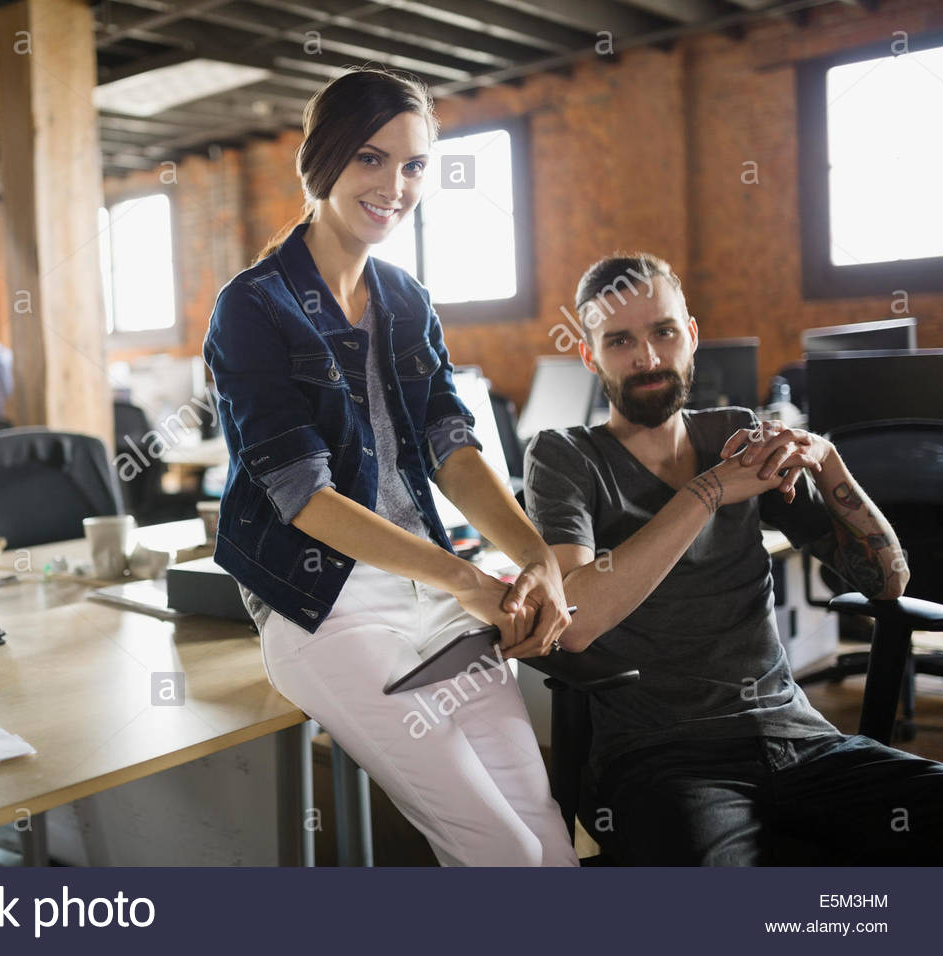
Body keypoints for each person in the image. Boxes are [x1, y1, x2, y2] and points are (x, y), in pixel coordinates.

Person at [203, 68, 577, 867]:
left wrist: (534, 556)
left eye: (412, 166)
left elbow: (451, 443)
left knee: (543, 828)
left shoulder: (407, 300)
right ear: (323, 163)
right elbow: (305, 498)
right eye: (371, 160)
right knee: (500, 848)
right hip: (322, 602)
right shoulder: (254, 306)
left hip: (429, 590)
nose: (394, 186)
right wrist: (468, 580)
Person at [523, 252, 943, 865]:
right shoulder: (565, 456)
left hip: (799, 741)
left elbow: (887, 581)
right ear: (590, 356)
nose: (647, 357)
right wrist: (709, 491)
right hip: (664, 759)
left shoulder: (736, 434)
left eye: (664, 332)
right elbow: (578, 620)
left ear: (690, 338)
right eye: (620, 341)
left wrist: (827, 461)